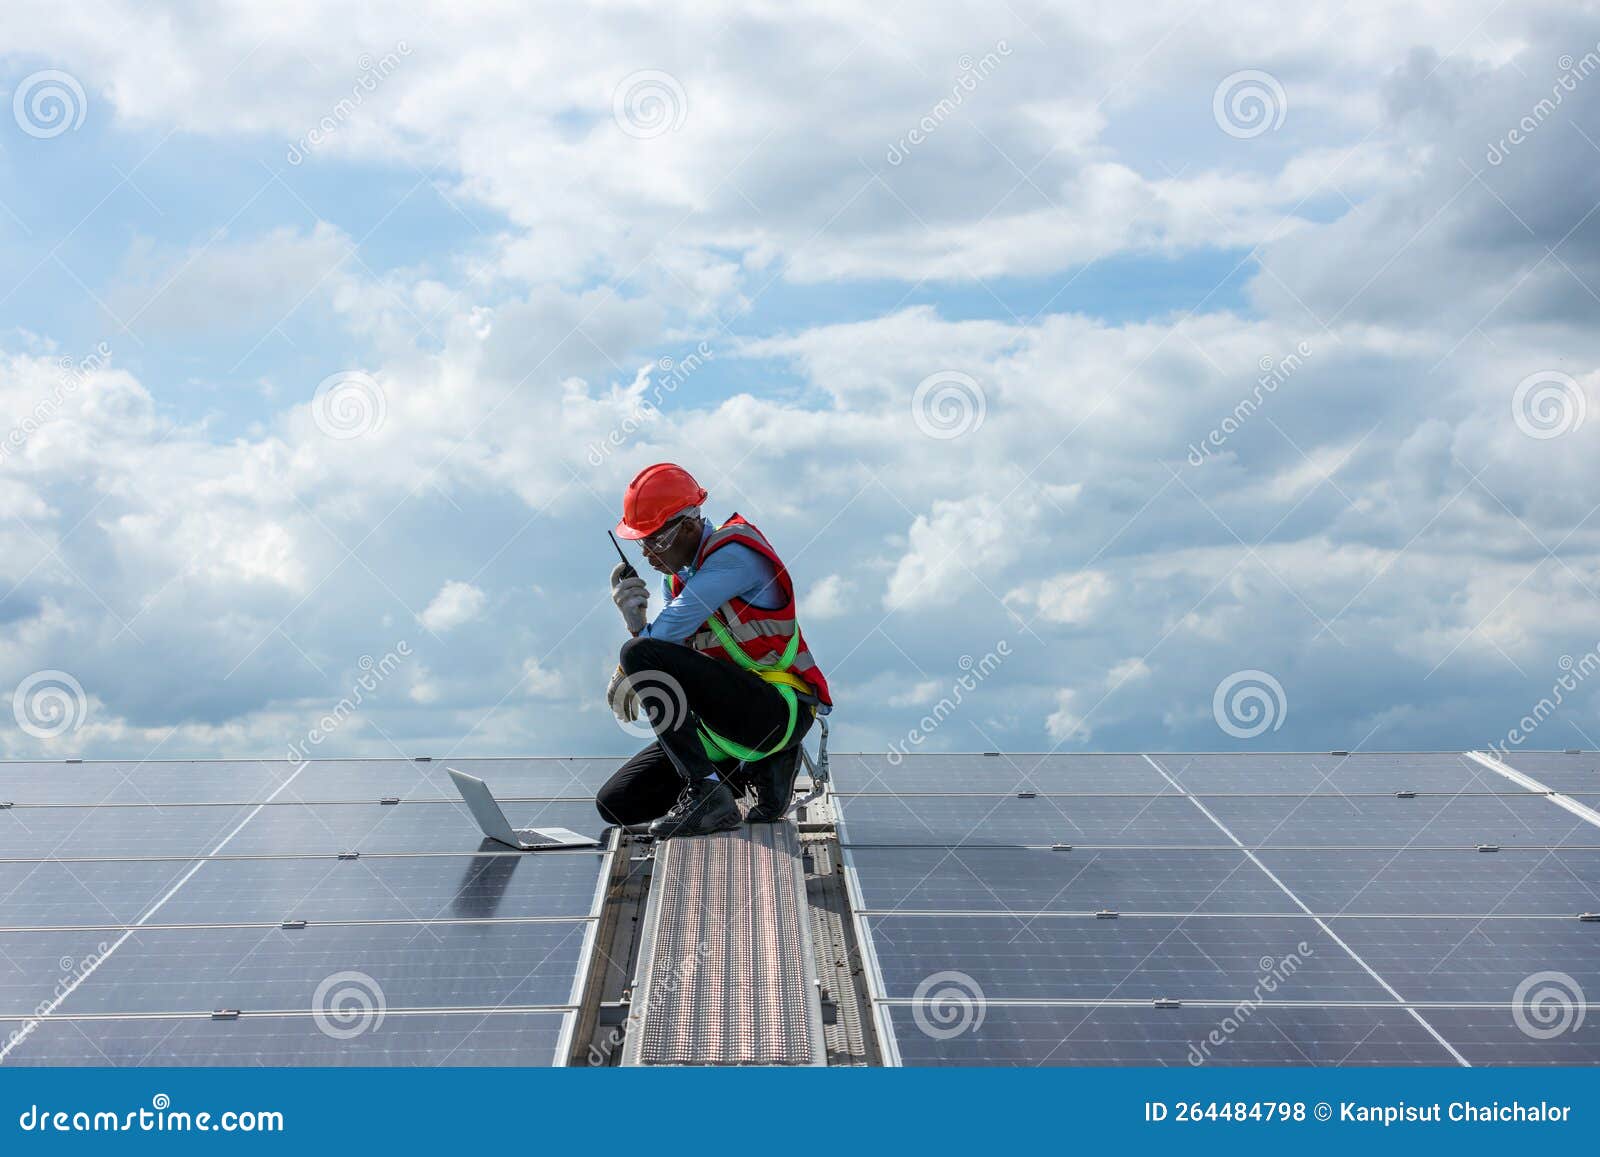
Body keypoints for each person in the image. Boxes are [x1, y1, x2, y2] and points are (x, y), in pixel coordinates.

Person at [595, 463, 833, 839]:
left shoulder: (734, 556)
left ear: (690, 526)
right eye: (642, 544)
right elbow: (670, 660)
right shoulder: (676, 582)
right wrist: (636, 624)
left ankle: (711, 794)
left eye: (656, 541)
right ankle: (752, 770)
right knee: (616, 803)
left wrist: (633, 650)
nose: (649, 555)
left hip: (777, 710)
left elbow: (655, 646)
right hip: (726, 725)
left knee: (638, 654)